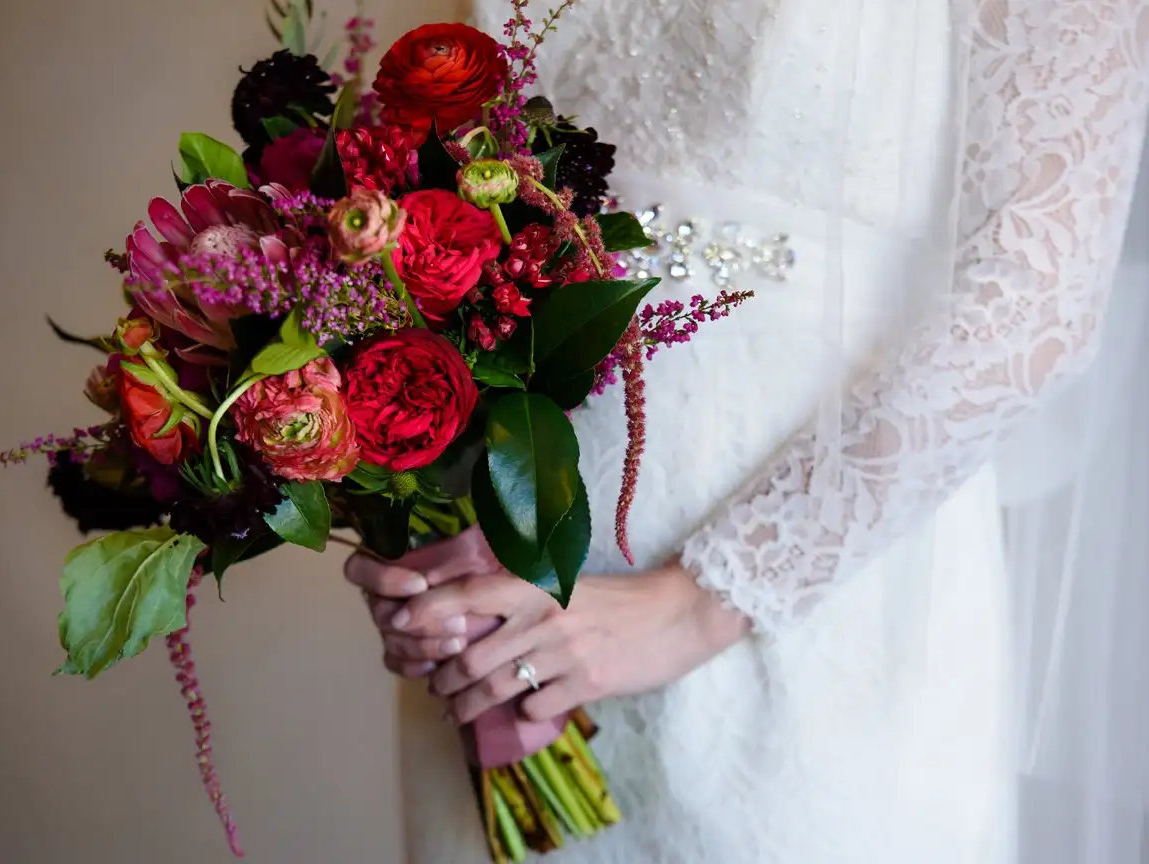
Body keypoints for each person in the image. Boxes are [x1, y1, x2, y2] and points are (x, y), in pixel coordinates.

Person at [344, 1, 1149, 861]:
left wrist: (701, 602)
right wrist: (408, 484)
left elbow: (1037, 298)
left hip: (820, 610)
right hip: (510, 603)